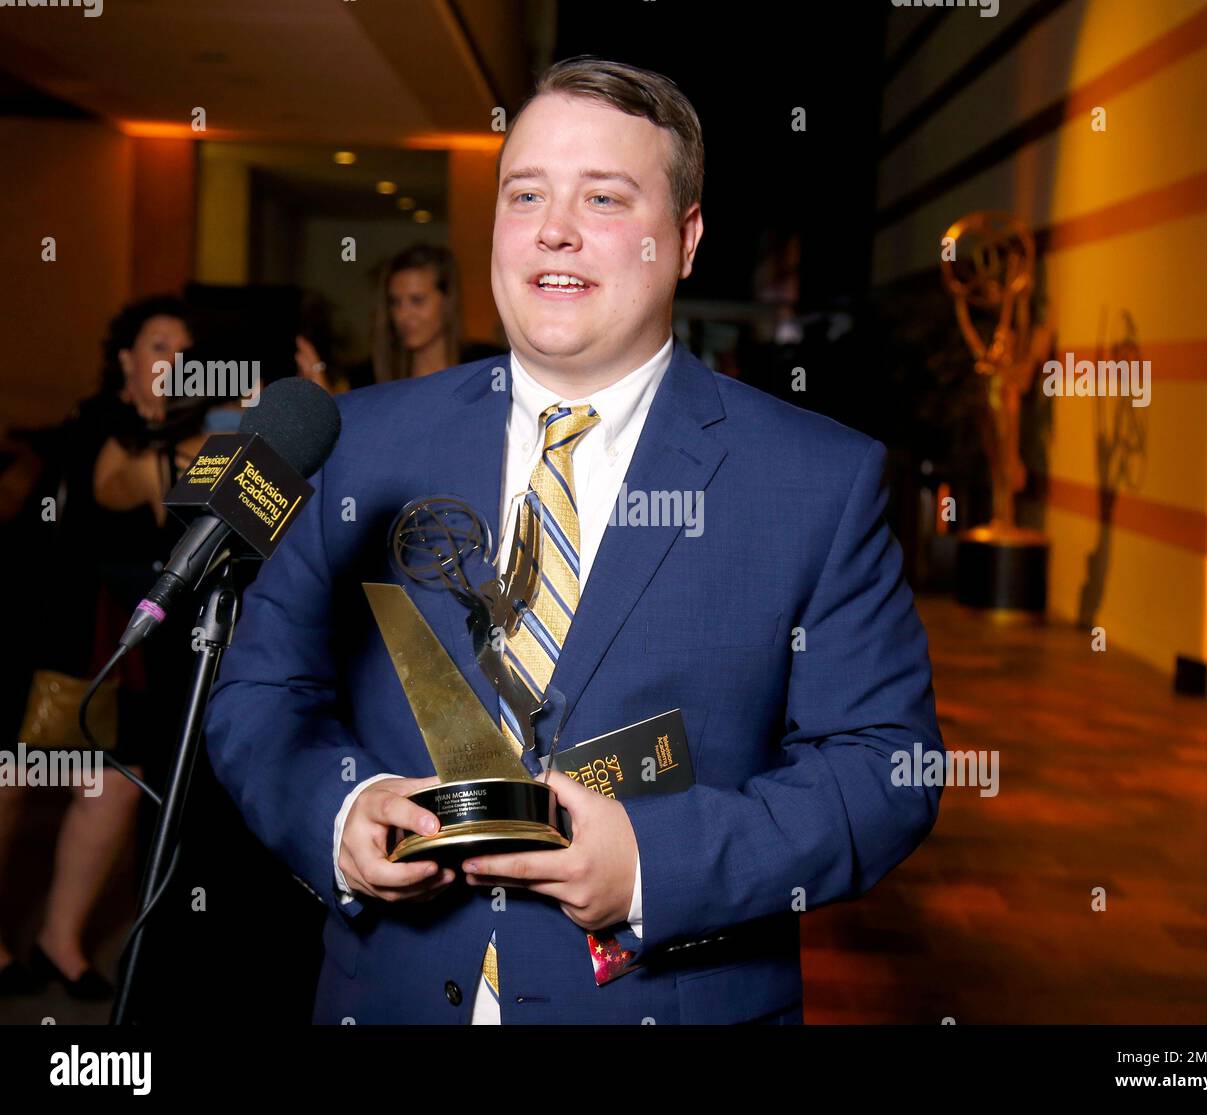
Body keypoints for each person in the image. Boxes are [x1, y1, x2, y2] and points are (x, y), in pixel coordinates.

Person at [205, 56, 945, 1025]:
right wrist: (340, 811)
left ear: (684, 240)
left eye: (603, 196)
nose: (554, 227)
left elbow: (884, 767)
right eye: (526, 194)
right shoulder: (358, 443)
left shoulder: (816, 479)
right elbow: (261, 691)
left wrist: (650, 862)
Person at [0, 296, 199, 1000]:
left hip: (126, 644)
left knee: (112, 785)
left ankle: (61, 938)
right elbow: (121, 488)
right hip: (45, 627)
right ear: (124, 358)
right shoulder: (100, 424)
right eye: (155, 345)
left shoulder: (187, 430)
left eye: (182, 348)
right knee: (14, 776)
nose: (170, 360)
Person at [295, 244, 463, 391]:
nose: (402, 314)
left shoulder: (481, 370)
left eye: (417, 300)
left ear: (447, 300)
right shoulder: (368, 378)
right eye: (395, 302)